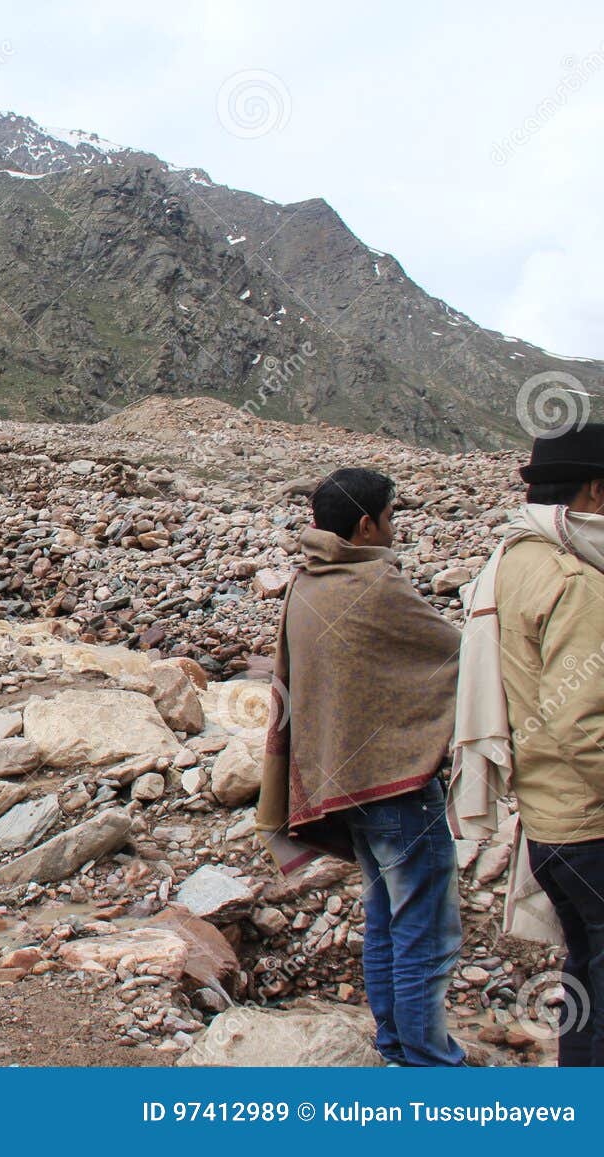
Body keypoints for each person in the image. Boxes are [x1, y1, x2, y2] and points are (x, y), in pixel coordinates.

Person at [258, 467, 465, 1066]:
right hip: (396, 785)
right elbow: (456, 658)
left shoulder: (306, 583)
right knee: (424, 927)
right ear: (367, 524)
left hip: (343, 782)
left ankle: (396, 1045)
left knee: (384, 916)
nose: (395, 527)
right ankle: (428, 1062)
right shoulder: (377, 584)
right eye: (391, 516)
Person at [451, 422, 604, 1065]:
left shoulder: (513, 558)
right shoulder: (578, 580)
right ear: (594, 492)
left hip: (546, 822)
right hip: (591, 822)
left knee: (586, 973)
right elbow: (582, 724)